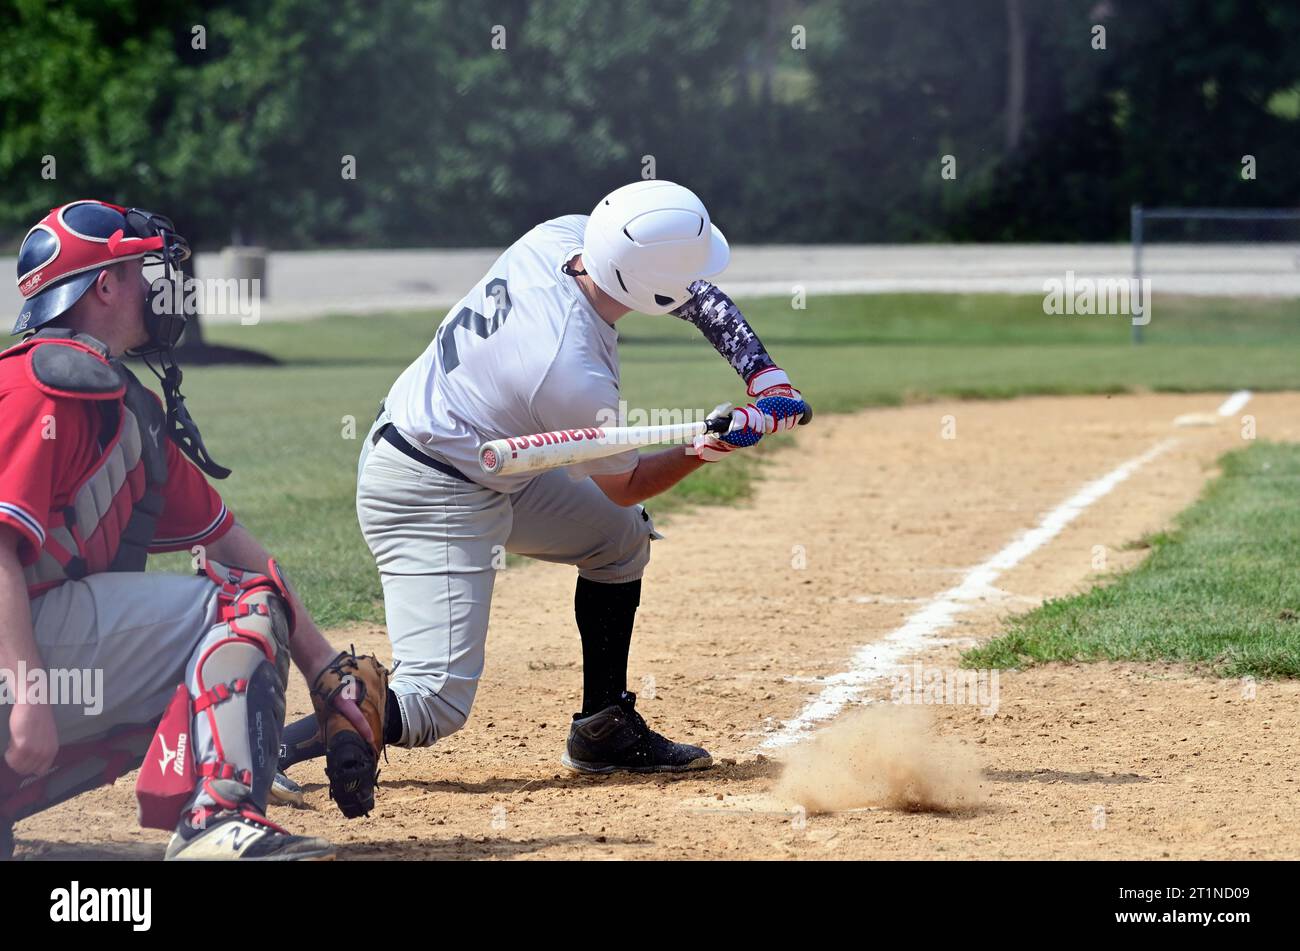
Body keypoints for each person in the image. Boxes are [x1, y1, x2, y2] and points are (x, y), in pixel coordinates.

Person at [276, 180, 805, 791]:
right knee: (432, 705)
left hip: (489, 460)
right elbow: (627, 482)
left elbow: (687, 292)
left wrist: (764, 376)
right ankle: (264, 746)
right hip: (429, 488)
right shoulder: (569, 373)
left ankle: (603, 729)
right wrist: (707, 448)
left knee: (617, 539)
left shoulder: (563, 236)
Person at [0, 200, 370, 860]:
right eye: (138, 269)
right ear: (105, 286)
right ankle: (217, 821)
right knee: (241, 608)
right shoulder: (40, 386)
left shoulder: (118, 404)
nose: (153, 286)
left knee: (228, 636)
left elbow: (229, 538)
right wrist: (29, 696)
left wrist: (326, 671)